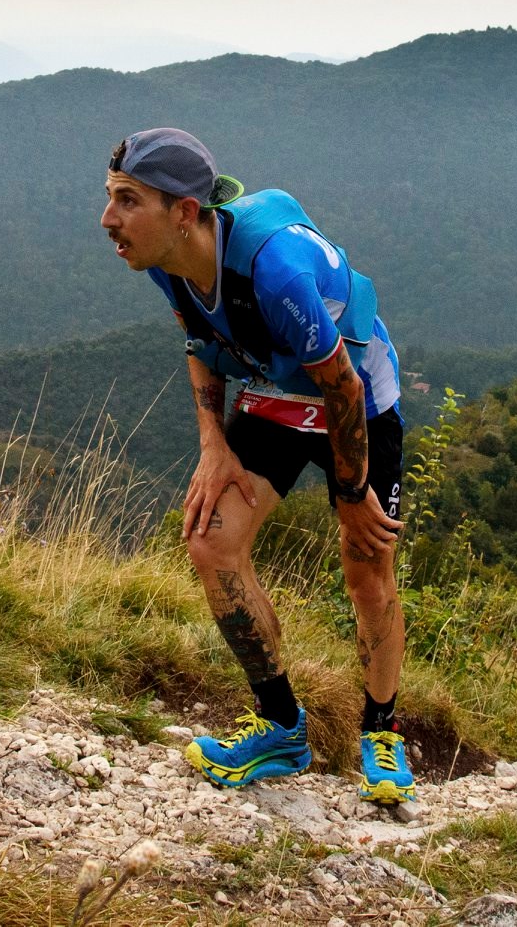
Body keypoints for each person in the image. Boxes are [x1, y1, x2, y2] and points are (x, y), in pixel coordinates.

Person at [100, 127, 415, 803]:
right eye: (109, 198)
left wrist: (353, 488)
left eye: (127, 200)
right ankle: (280, 728)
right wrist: (212, 444)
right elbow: (197, 337)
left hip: (354, 397)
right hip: (276, 395)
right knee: (210, 540)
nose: (108, 219)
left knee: (366, 569)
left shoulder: (274, 273)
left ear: (183, 212)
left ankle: (381, 731)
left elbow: (343, 385)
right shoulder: (168, 260)